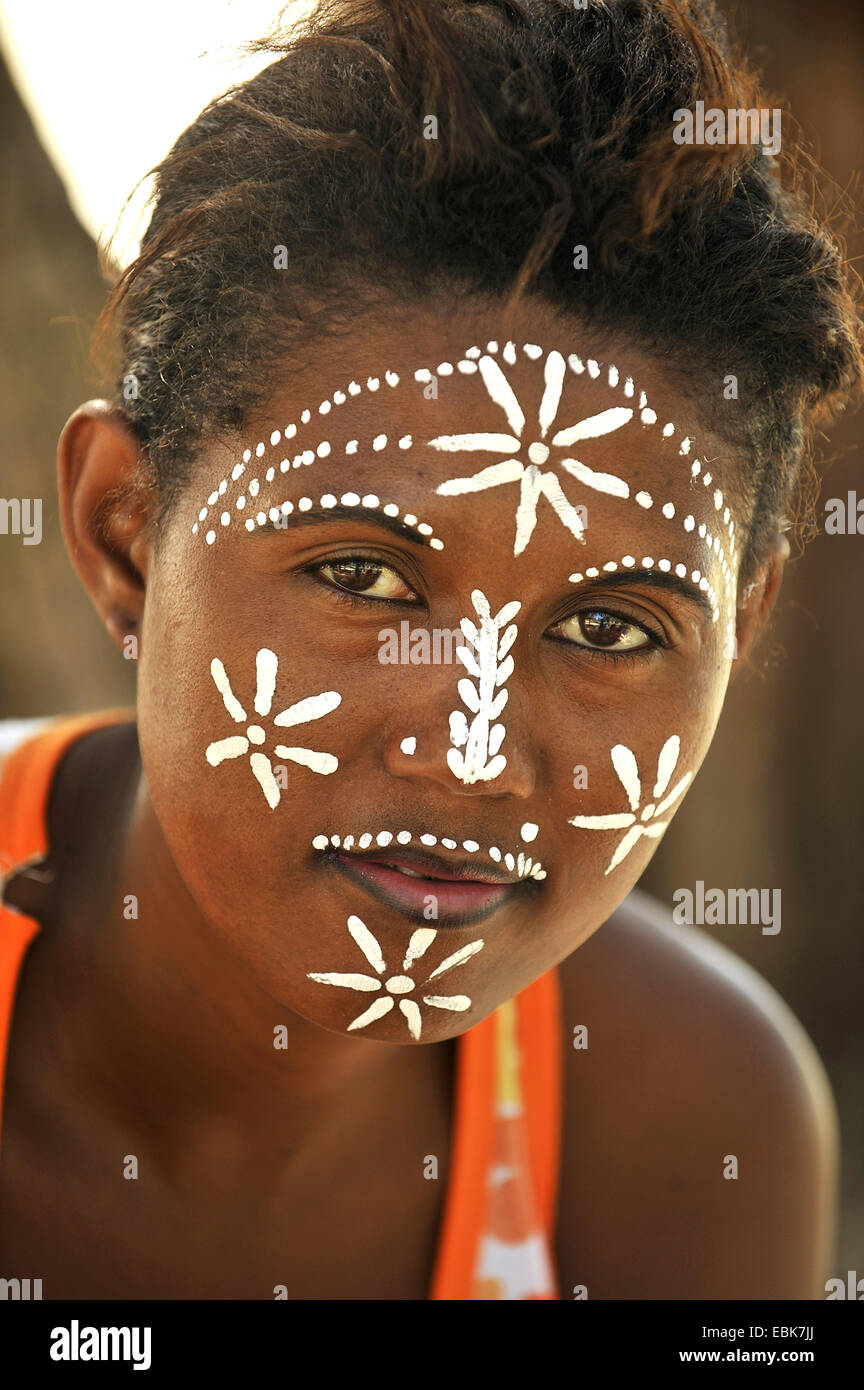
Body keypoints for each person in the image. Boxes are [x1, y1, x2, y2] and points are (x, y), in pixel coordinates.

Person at [0, 0, 860, 1300]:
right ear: (125, 534)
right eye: (363, 575)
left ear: (737, 638)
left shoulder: (697, 1126)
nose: (470, 749)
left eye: (611, 626)